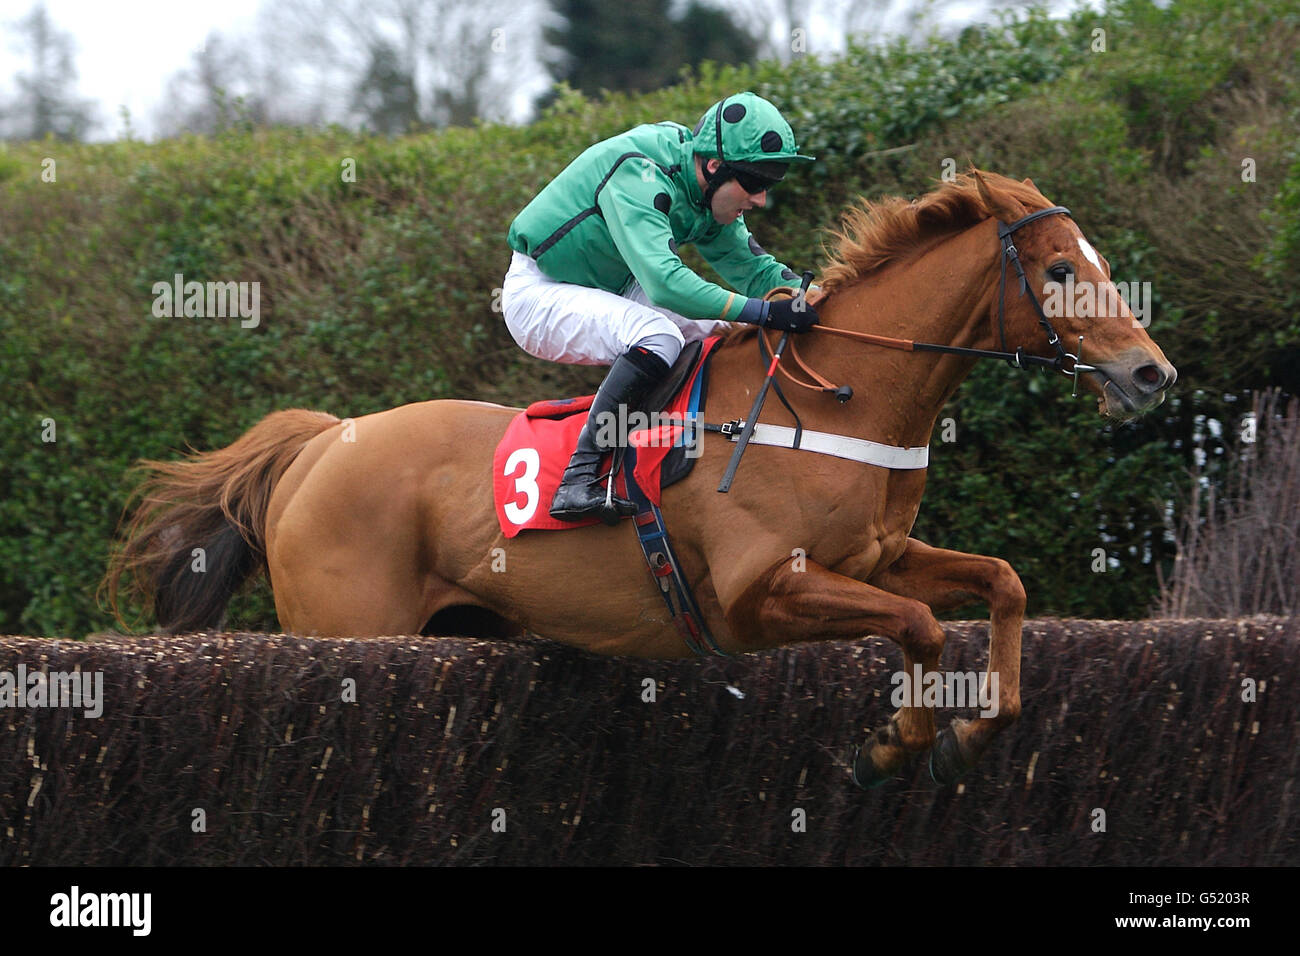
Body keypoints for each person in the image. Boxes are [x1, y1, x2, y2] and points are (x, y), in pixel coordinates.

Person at [502, 91, 820, 524]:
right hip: (540, 292)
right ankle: (576, 480)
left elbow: (755, 270)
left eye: (768, 186)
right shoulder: (641, 172)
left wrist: (822, 298)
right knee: (660, 335)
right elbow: (666, 284)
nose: (761, 200)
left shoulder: (705, 189)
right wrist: (766, 313)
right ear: (714, 166)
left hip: (613, 285)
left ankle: (686, 453)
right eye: (755, 184)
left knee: (718, 331)